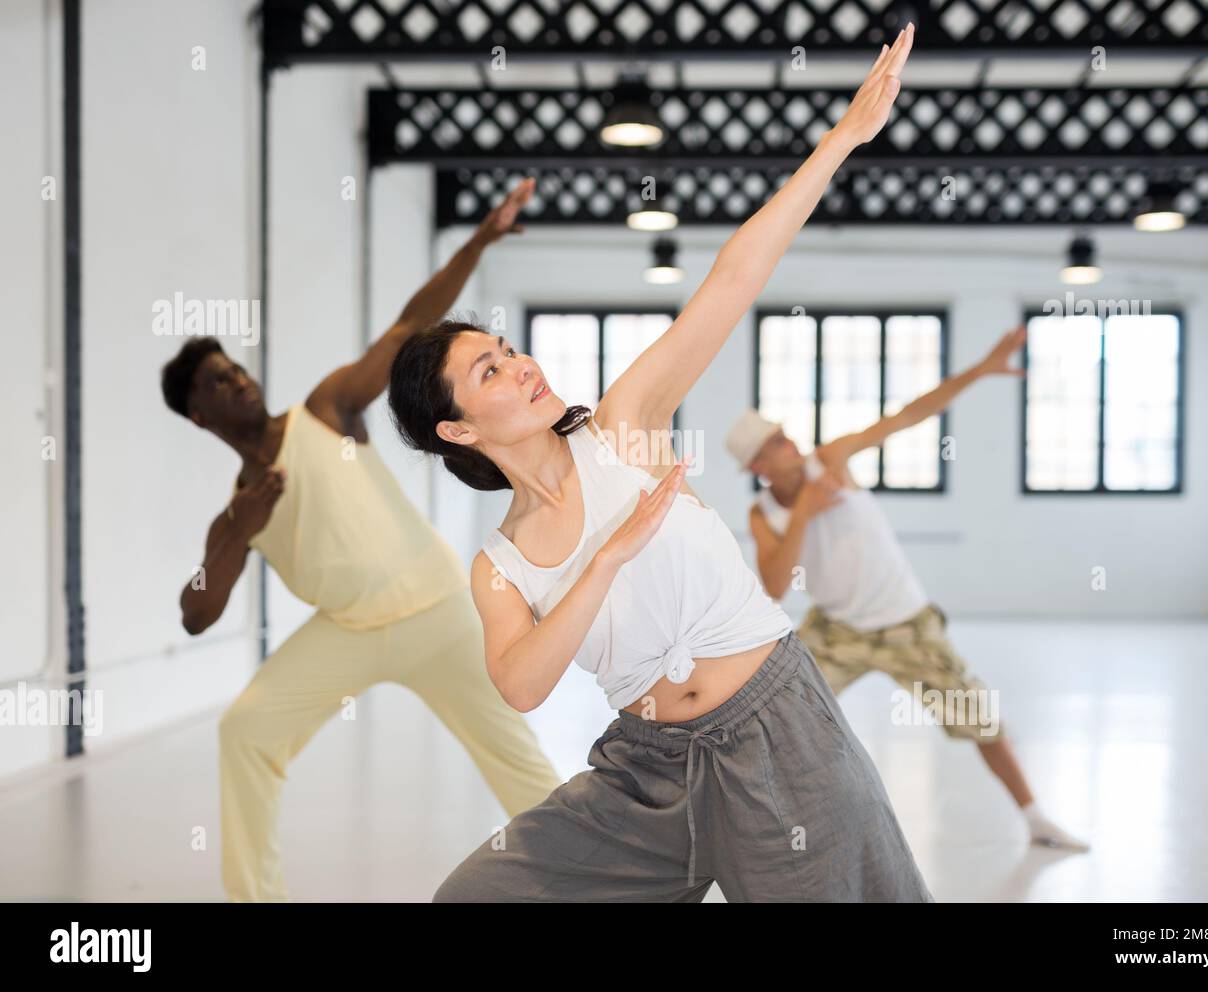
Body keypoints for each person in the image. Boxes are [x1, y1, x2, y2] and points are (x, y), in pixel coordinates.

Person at [389, 25, 934, 902]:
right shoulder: (499, 570)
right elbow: (522, 685)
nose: (520, 363)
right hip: (648, 776)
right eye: (489, 370)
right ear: (456, 430)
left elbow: (730, 278)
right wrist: (607, 556)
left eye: (506, 347)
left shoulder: (623, 427)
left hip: (778, 739)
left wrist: (842, 141)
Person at [162, 179, 564, 902]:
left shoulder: (325, 410)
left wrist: (479, 238)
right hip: (347, 631)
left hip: (439, 611)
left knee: (519, 762)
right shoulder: (236, 511)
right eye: (220, 383)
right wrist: (238, 536)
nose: (240, 382)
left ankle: (588, 882)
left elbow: (411, 328)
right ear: (200, 415)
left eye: (237, 368)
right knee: (245, 733)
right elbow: (196, 612)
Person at [726, 325, 1090, 851]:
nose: (792, 443)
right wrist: (805, 509)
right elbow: (777, 585)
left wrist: (980, 370)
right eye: (777, 442)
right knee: (778, 712)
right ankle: (774, 826)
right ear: (758, 467)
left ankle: (1035, 818)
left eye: (785, 433)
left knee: (978, 717)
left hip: (906, 623)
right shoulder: (764, 513)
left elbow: (908, 416)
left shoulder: (831, 458)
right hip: (837, 630)